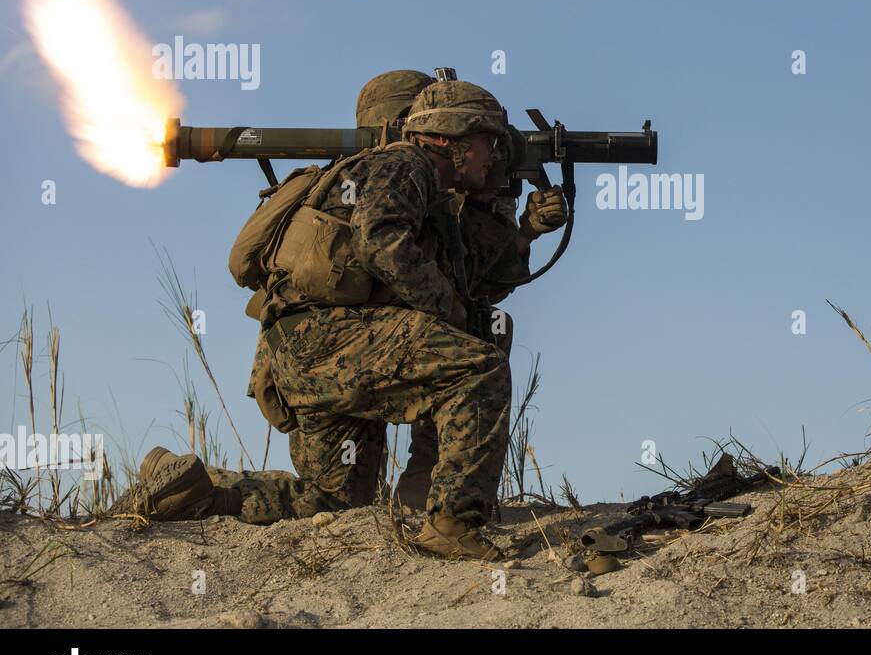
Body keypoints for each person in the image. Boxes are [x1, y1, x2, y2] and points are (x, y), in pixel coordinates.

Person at [116, 74, 568, 560]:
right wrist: (453, 314)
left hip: (309, 356)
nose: (498, 156)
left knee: (330, 501)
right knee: (478, 366)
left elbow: (465, 279)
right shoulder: (403, 166)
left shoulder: (405, 185)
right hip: (336, 341)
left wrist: (519, 233)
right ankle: (451, 521)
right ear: (447, 140)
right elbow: (382, 242)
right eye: (489, 144)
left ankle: (190, 489)